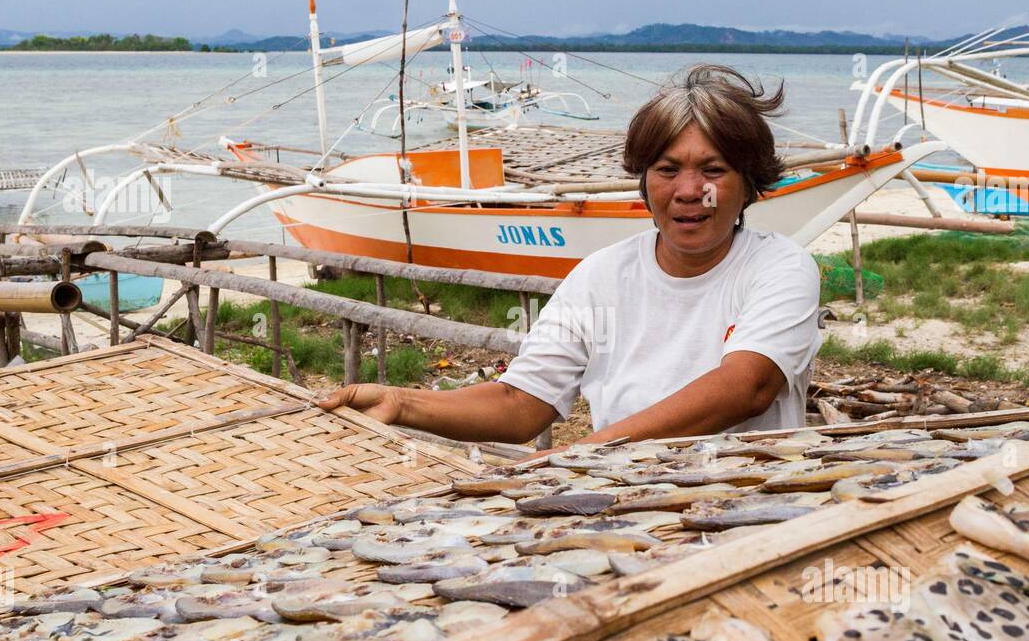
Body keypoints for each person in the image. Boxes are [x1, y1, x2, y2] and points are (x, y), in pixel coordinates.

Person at [315, 64, 821, 447]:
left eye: (713, 170)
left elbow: (746, 387)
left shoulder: (778, 269)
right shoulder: (602, 276)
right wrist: (403, 402)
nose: (689, 191)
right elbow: (521, 404)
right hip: (629, 507)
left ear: (751, 184)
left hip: (752, 509)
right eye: (667, 170)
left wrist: (588, 455)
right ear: (643, 182)